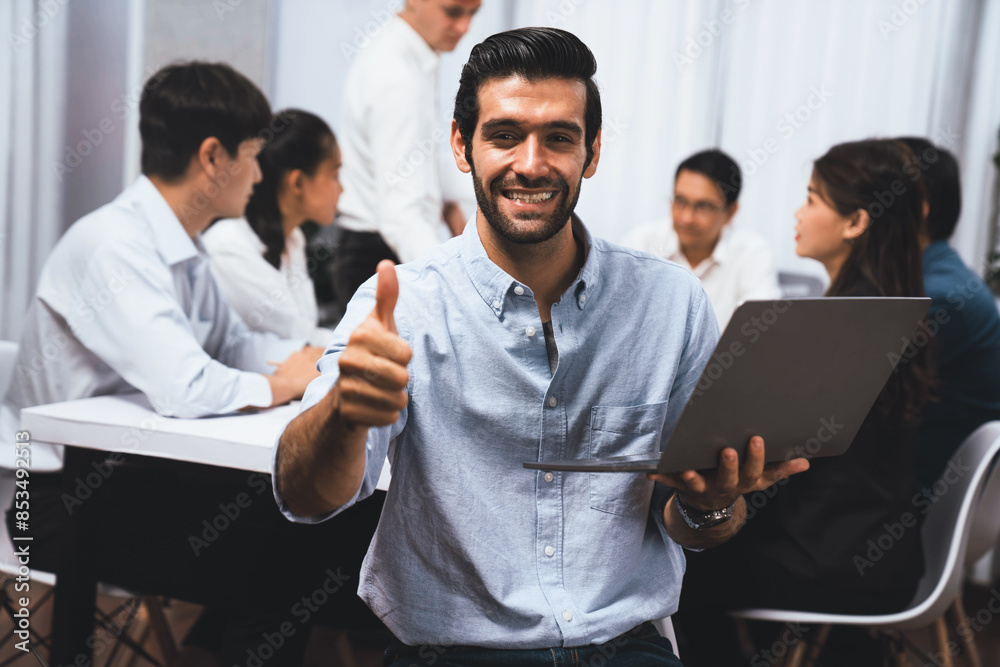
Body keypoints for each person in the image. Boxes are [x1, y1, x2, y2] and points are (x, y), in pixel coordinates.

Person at [274, 28, 808, 666]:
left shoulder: (672, 303)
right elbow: (304, 498)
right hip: (457, 653)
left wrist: (712, 505)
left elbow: (693, 524)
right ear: (460, 145)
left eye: (559, 136)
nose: (531, 163)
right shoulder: (404, 306)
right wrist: (341, 416)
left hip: (625, 648)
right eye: (504, 135)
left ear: (592, 151)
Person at [1, 62, 381, 666]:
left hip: (134, 478)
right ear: (212, 157)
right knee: (289, 556)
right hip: (51, 502)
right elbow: (184, 385)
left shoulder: (186, 243)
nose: (260, 175)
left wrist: (311, 363)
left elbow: (230, 346)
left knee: (312, 534)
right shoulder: (115, 246)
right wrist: (279, 380)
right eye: (254, 157)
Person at [676, 139, 934, 666]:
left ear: (857, 221)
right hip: (862, 545)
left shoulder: (848, 324)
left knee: (676, 567)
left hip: (838, 558)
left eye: (813, 198)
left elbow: (787, 454)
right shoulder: (881, 309)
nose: (798, 212)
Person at [332, 0, 482, 318]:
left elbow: (411, 163)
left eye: (473, 13)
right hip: (381, 255)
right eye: (453, 11)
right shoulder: (397, 74)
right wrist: (459, 288)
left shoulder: (408, 57)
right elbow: (401, 213)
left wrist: (447, 206)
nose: (464, 27)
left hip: (381, 247)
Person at [896, 137, 1000, 492]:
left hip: (918, 494)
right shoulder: (932, 278)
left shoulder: (937, 298)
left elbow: (851, 409)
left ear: (917, 206)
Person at [203, 109, 341, 347]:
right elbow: (299, 340)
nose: (341, 189)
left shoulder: (294, 238)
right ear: (297, 182)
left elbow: (305, 335)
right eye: (334, 174)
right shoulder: (229, 247)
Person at [622, 149, 781, 329]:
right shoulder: (642, 243)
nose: (686, 218)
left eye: (703, 206)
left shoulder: (751, 253)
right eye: (680, 201)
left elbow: (757, 331)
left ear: (731, 212)